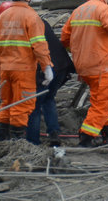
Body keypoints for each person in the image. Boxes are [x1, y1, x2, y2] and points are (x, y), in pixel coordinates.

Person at [62, 0, 108, 145]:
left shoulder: (79, 10)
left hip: (83, 66)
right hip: (101, 66)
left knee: (103, 100)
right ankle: (86, 136)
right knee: (102, 103)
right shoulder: (104, 10)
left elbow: (65, 38)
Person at [0, 0, 53, 141]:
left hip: (6, 69)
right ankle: (16, 143)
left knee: (6, 103)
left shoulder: (2, 17)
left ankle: (2, 141)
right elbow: (39, 46)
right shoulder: (31, 17)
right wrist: (46, 67)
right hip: (24, 70)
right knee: (22, 106)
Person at [27, 9, 74, 146]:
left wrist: (45, 68)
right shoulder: (41, 21)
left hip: (48, 68)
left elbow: (39, 50)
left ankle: (32, 142)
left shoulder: (24, 26)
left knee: (34, 106)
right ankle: (54, 133)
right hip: (62, 66)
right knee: (48, 99)